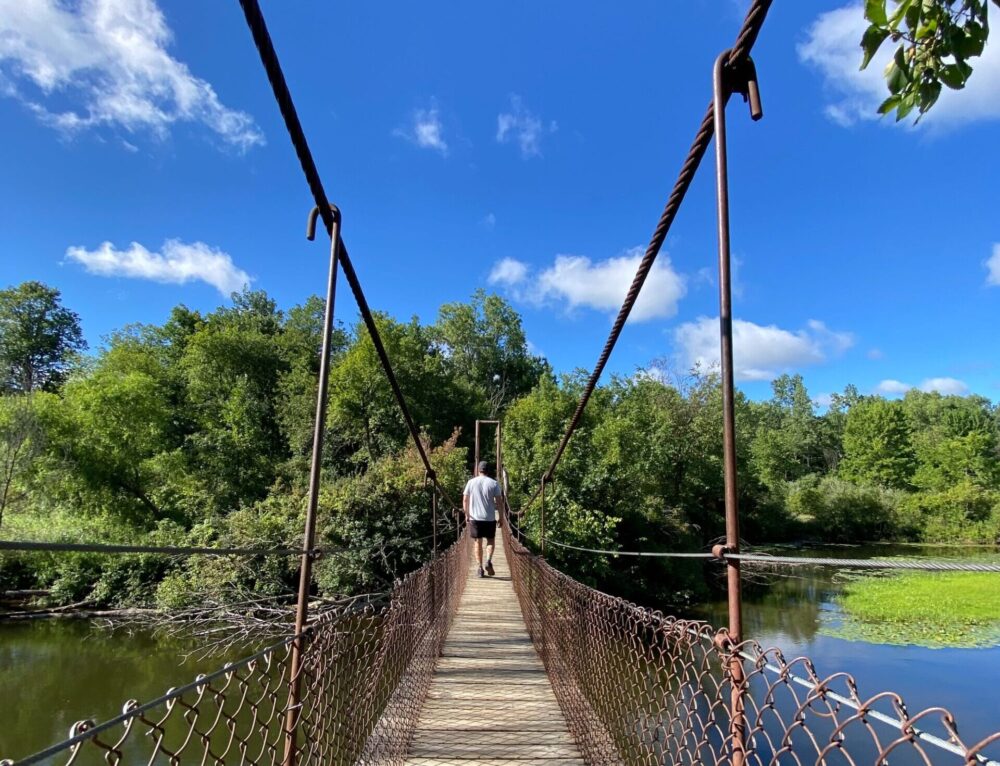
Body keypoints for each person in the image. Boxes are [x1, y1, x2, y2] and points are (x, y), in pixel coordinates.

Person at [463, 460, 503, 577]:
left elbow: (465, 500)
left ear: (478, 470)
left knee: (477, 542)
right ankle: (488, 561)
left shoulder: (471, 482)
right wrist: (500, 517)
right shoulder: (494, 483)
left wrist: (467, 514)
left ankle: (480, 568)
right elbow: (499, 503)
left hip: (475, 518)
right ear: (488, 471)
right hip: (489, 518)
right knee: (490, 540)